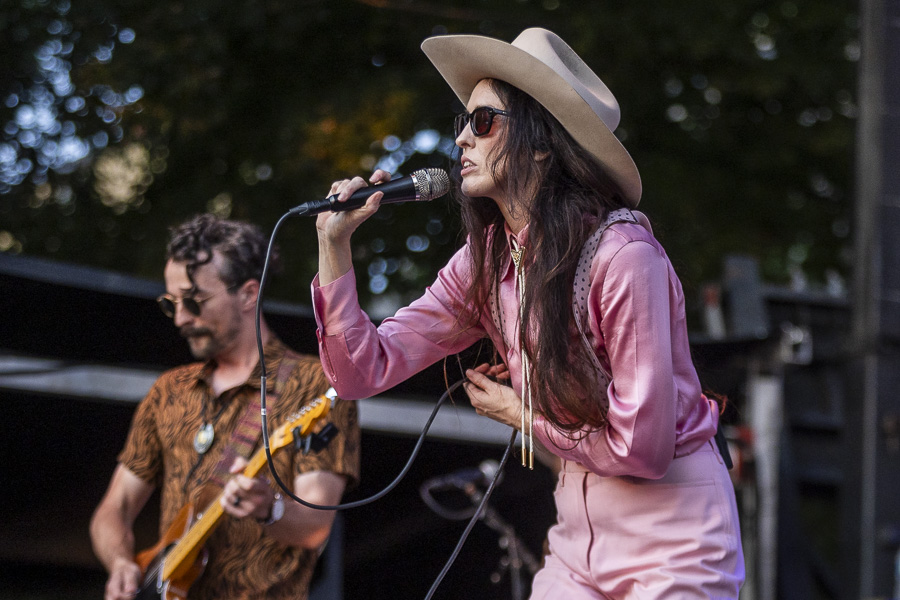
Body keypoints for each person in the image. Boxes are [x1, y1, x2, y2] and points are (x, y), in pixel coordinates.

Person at [311, 28, 743, 599]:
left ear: (542, 142)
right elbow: (359, 371)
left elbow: (643, 447)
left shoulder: (624, 258)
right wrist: (334, 246)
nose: (462, 140)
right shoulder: (486, 260)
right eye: (460, 124)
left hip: (675, 543)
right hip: (576, 547)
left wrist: (523, 413)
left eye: (483, 122)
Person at [90, 214, 360, 600]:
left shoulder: (316, 385)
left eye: (195, 302)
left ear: (249, 293)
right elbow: (113, 510)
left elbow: (315, 526)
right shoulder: (169, 390)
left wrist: (270, 509)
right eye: (172, 303)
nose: (181, 318)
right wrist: (120, 562)